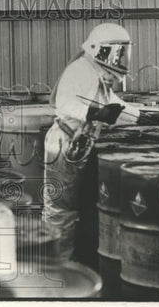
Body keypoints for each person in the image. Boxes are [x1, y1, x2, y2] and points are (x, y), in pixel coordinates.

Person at [43, 23, 143, 262]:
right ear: (100, 49)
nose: (120, 58)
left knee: (80, 207)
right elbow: (64, 103)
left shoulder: (97, 71)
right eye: (117, 52)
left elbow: (113, 103)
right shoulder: (80, 70)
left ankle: (76, 260)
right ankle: (58, 267)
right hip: (65, 143)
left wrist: (140, 115)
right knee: (61, 211)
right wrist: (94, 114)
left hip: (79, 144)